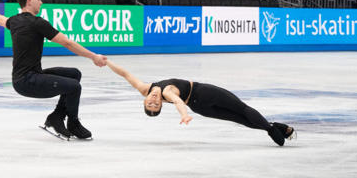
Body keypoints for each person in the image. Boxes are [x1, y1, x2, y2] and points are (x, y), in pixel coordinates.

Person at [0, 0, 108, 139]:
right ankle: (73, 123)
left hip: (25, 78)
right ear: (29, 1)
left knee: (74, 74)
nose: (41, 2)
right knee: (74, 87)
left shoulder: (15, 20)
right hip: (27, 81)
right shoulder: (37, 23)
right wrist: (94, 56)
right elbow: (67, 43)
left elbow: (3, 20)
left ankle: (56, 117)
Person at [105, 60, 295, 146]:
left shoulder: (143, 88)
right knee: (241, 112)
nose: (154, 101)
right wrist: (184, 115)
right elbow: (178, 102)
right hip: (203, 96)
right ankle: (272, 130)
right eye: (156, 105)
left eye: (150, 104)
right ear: (162, 104)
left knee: (241, 116)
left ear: (144, 100)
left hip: (199, 104)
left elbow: (125, 74)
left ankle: (275, 127)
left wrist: (106, 62)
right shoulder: (167, 92)